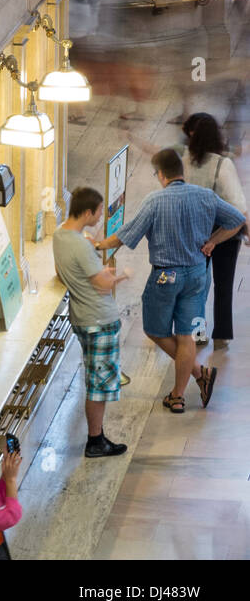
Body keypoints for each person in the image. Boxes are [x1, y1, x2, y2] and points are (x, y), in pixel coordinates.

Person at [97, 149, 246, 412]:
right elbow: (237, 220)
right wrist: (213, 241)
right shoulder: (204, 196)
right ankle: (178, 395)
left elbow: (125, 234)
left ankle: (199, 374)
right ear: (182, 172)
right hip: (199, 273)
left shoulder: (155, 200)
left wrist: (98, 244)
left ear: (161, 174)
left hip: (167, 275)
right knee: (186, 335)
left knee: (155, 330)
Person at [53, 187, 129, 457]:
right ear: (87, 212)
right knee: (99, 384)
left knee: (95, 378)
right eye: (98, 212)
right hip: (99, 319)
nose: (100, 217)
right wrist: (118, 276)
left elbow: (67, 274)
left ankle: (97, 438)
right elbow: (102, 286)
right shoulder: (80, 245)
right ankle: (95, 441)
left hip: (82, 316)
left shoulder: (61, 235)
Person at [179, 113, 248, 349]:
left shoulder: (186, 160)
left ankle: (198, 334)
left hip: (196, 231)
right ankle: (221, 337)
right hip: (225, 234)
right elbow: (238, 208)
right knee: (223, 284)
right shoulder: (222, 164)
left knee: (198, 285)